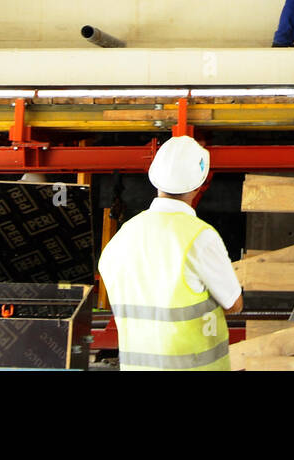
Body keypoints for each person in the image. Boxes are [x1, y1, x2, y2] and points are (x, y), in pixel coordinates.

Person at [97, 135, 243, 370]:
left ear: (155, 178)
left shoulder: (122, 237)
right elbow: (234, 304)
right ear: (201, 183)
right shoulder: (199, 237)